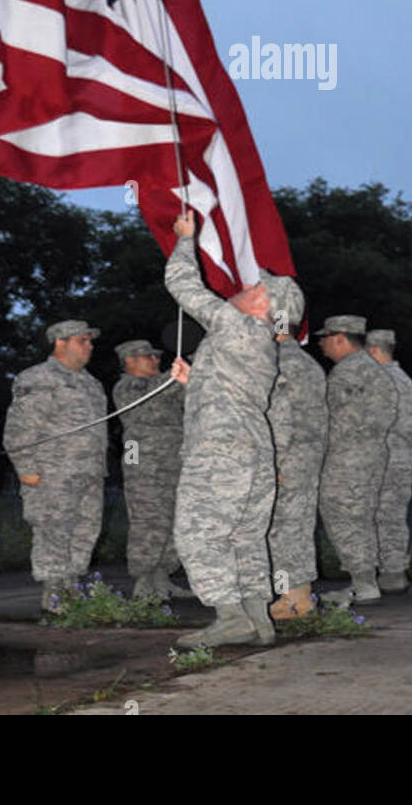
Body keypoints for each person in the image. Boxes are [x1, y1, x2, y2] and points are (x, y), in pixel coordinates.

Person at [165, 210, 305, 649]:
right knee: (245, 537)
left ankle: (229, 616)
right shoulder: (259, 344)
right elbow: (231, 394)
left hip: (222, 451)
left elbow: (183, 287)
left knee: (198, 530)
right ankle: (257, 618)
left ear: (265, 306)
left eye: (256, 287)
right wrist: (196, 382)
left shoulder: (237, 325)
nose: (247, 286)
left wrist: (186, 240)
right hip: (252, 451)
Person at [3, 319, 107, 614]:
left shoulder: (91, 382)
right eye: (82, 341)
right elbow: (19, 429)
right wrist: (26, 468)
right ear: (60, 343)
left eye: (89, 341)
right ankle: (54, 594)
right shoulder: (38, 377)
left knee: (85, 531)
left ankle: (72, 587)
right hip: (52, 473)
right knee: (54, 531)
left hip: (89, 473)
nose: (89, 346)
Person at [317, 316, 398, 605]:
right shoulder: (376, 372)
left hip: (346, 459)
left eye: (325, 337)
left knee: (345, 518)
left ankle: (363, 584)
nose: (321, 344)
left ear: (340, 338)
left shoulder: (347, 373)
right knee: (360, 518)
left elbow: (330, 421)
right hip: (370, 456)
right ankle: (363, 581)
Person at [112, 338, 191, 600]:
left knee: (172, 521)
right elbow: (153, 395)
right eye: (149, 357)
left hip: (173, 463)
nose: (156, 360)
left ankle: (162, 577)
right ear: (130, 361)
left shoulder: (166, 385)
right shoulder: (128, 387)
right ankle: (145, 580)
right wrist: (177, 373)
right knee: (148, 520)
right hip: (144, 466)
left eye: (157, 356)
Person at [266, 295, 327, 620]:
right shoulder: (310, 364)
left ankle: (288, 598)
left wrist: (273, 459)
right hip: (308, 457)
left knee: (281, 529)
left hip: (285, 456)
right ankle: (301, 597)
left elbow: (279, 414)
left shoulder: (276, 362)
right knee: (300, 526)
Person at [365, 328, 412, 594]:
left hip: (385, 455)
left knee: (380, 516)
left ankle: (388, 572)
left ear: (374, 351)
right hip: (401, 455)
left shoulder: (382, 381)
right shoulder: (404, 380)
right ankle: (394, 571)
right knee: (393, 516)